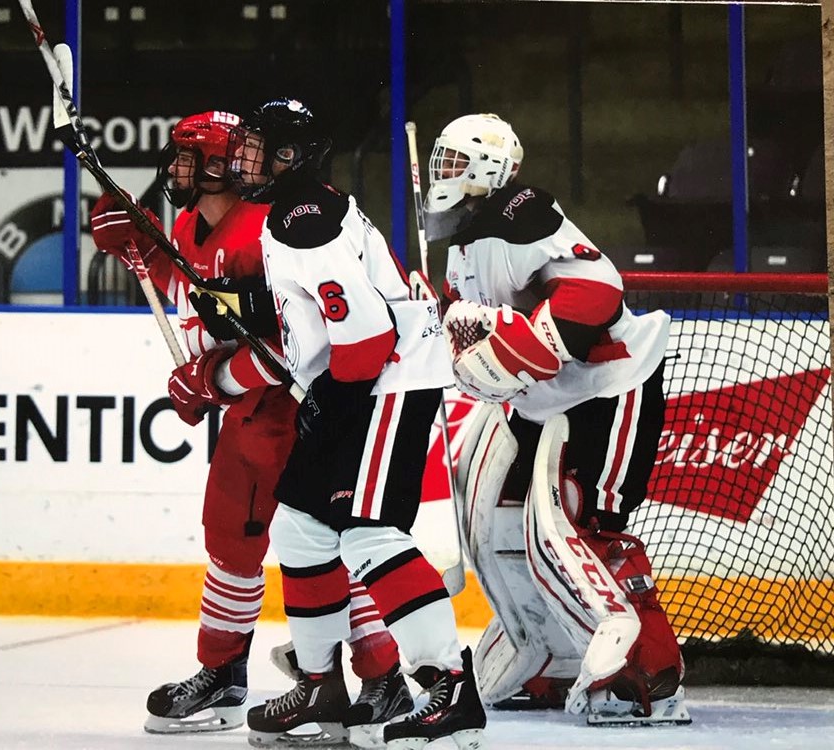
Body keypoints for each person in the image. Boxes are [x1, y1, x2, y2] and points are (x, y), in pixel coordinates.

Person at [90, 110, 410, 738]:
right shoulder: (188, 224)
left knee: (330, 551)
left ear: (220, 166)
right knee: (230, 542)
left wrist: (210, 378)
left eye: (189, 158)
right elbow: (197, 294)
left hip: (314, 410)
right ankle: (223, 675)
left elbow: (296, 343)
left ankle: (382, 676)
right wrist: (143, 246)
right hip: (253, 416)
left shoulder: (270, 229)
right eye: (177, 156)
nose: (175, 169)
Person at [227, 97, 491, 750]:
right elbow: (319, 300)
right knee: (300, 526)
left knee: (368, 535)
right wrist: (246, 303)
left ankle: (450, 691)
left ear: (292, 156)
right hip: (365, 379)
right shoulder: (297, 213)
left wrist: (331, 406)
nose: (245, 156)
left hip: (384, 382)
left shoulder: (303, 218)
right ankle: (321, 689)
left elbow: (369, 336)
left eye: (260, 145)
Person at [424, 113, 689, 725]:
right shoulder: (463, 243)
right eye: (440, 162)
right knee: (503, 525)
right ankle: (553, 658)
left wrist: (520, 348)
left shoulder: (524, 213)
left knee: (587, 522)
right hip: (544, 400)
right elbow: (465, 324)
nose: (442, 175)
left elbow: (600, 293)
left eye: (454, 162)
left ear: (489, 170)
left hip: (609, 385)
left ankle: (650, 675)